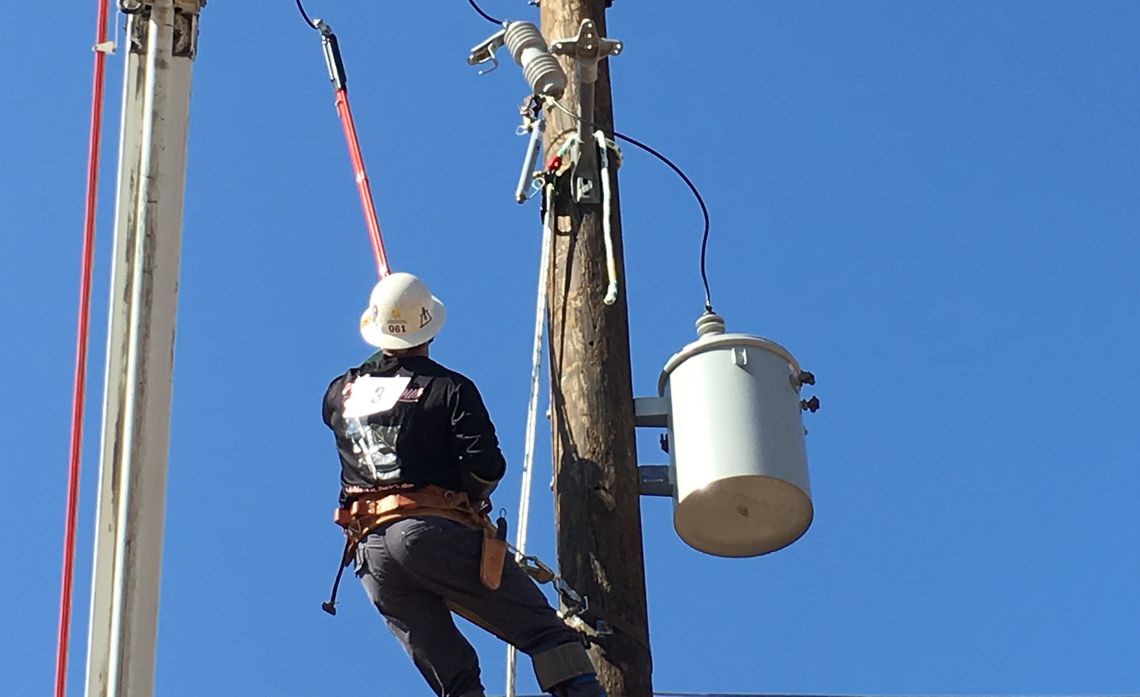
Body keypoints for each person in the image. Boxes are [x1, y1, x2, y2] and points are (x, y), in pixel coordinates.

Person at [321, 272, 607, 697]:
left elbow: (372, 377)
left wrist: (389, 344)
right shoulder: (449, 389)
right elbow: (486, 469)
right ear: (430, 328)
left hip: (372, 556)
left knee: (455, 681)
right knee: (546, 634)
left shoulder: (340, 392)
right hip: (426, 534)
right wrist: (466, 495)